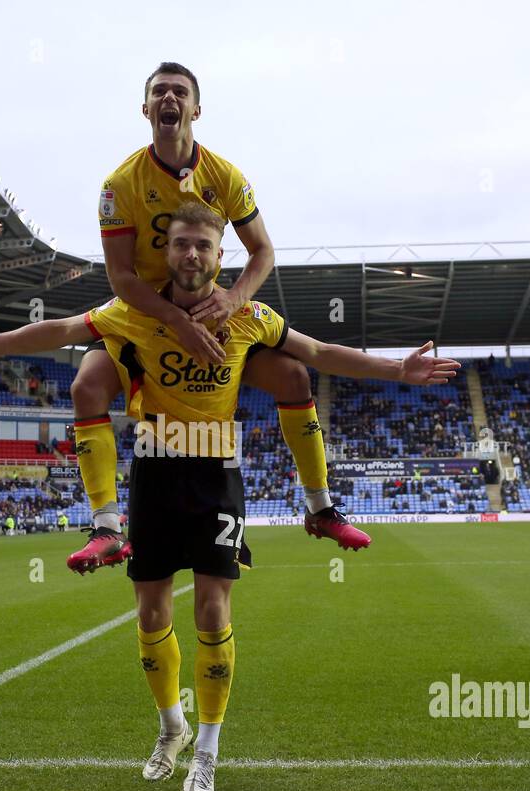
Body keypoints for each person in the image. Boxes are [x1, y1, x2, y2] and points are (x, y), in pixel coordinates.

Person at [0, 203, 459, 791]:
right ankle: (169, 728)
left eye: (204, 245)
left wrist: (398, 370)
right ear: (168, 251)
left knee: (211, 610)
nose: (193, 255)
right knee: (151, 615)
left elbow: (321, 353)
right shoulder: (135, 312)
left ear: (219, 255)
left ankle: (207, 750)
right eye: (182, 245)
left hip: (216, 471)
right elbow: (59, 331)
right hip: (154, 467)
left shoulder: (251, 316)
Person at [56, 62, 368, 575]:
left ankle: (320, 508)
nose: (169, 98)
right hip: (147, 319)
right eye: (159, 92)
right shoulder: (120, 184)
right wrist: (176, 322)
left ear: (196, 109)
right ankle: (107, 527)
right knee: (86, 386)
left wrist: (232, 300)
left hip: (216, 314)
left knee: (293, 374)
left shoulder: (225, 177)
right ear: (146, 109)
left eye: (180, 91)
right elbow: (121, 277)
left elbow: (263, 251)